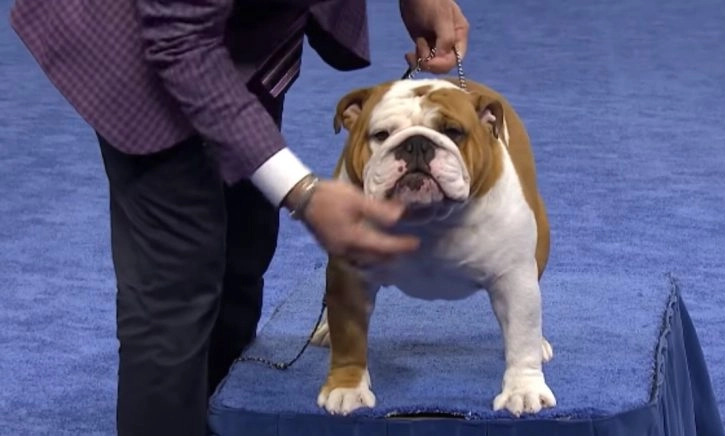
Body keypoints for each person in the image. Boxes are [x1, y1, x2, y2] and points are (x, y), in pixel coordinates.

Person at [9, 0, 469, 434]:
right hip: (139, 39)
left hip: (239, 28)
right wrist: (303, 193)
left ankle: (216, 414)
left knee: (246, 242)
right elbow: (179, 41)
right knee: (177, 287)